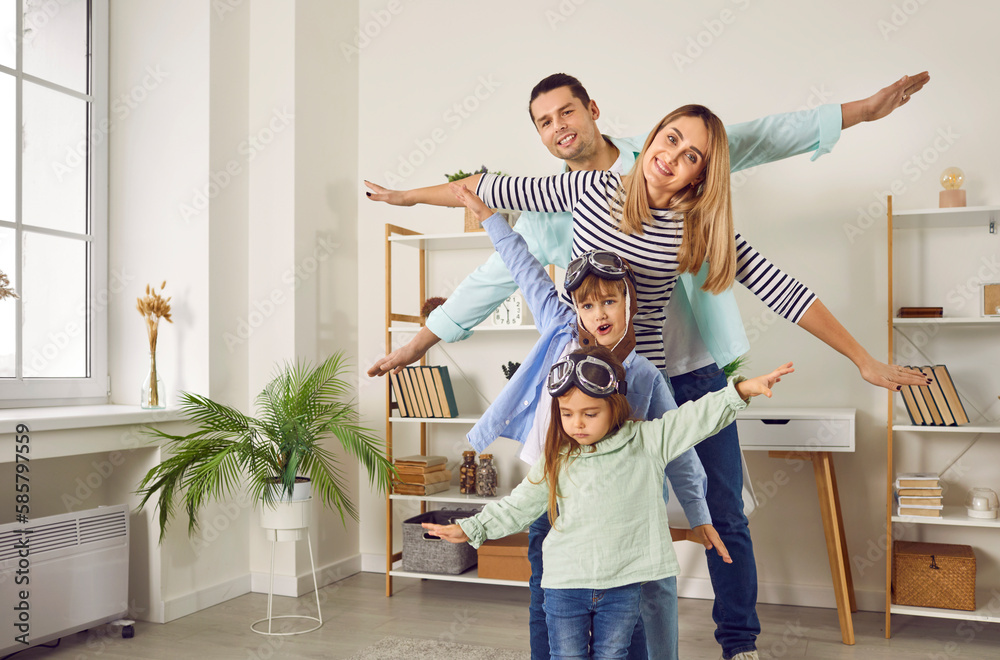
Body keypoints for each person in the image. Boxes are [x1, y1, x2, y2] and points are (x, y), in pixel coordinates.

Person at [366, 94, 931, 660]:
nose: (673, 157)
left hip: (650, 381)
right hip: (589, 381)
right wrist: (404, 197)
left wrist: (862, 358)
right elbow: (490, 195)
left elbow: (783, 288)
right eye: (671, 140)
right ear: (653, 136)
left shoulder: (696, 228)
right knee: (555, 517)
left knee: (697, 518)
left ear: (701, 173)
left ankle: (736, 645)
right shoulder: (588, 189)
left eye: (692, 156)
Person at [450, 180, 727, 660]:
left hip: (623, 511)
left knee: (636, 608)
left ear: (629, 302)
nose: (598, 314)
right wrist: (490, 218)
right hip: (552, 493)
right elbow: (524, 267)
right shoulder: (559, 329)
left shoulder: (644, 376)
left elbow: (678, 450)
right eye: (587, 304)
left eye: (609, 301)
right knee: (547, 595)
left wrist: (699, 517)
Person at [422, 346, 794, 660]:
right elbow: (517, 505)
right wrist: (471, 527)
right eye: (567, 414)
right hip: (565, 586)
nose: (577, 424)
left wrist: (739, 392)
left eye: (590, 414)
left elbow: (694, 419)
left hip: (623, 587)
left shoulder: (647, 441)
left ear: (614, 406)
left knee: (613, 655)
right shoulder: (557, 458)